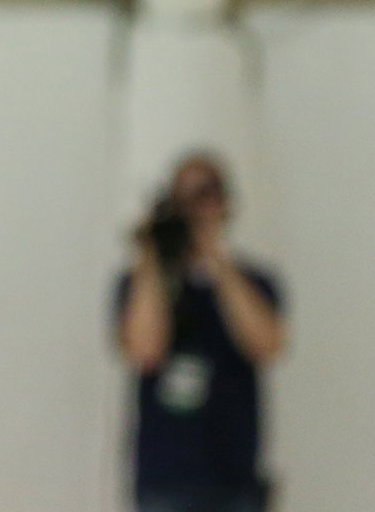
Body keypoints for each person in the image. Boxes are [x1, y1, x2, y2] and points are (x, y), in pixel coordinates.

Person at [115, 152, 284, 512]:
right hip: (165, 479)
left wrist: (215, 256)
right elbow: (144, 350)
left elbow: (267, 345)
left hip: (236, 479)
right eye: (184, 198)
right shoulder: (140, 282)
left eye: (205, 194)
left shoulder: (256, 282)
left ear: (226, 203)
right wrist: (151, 254)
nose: (194, 209)